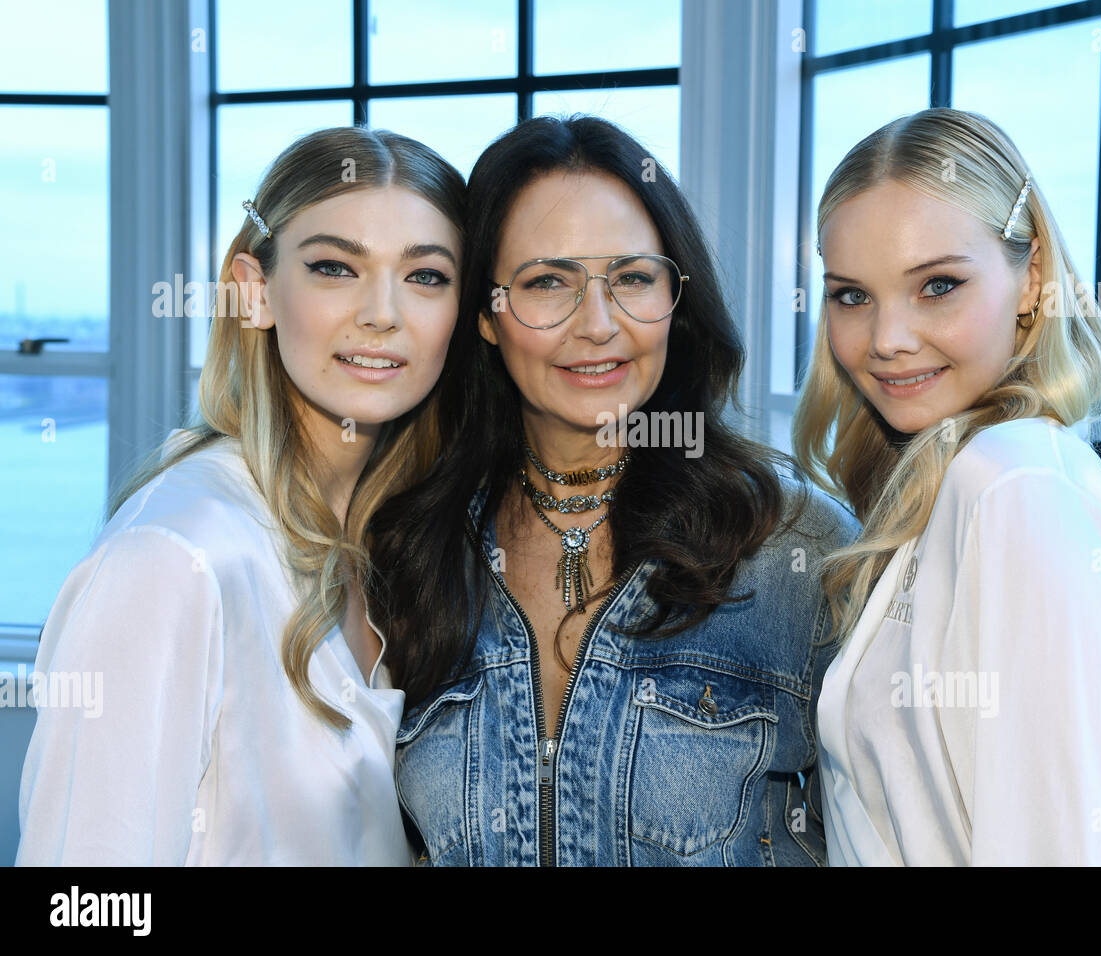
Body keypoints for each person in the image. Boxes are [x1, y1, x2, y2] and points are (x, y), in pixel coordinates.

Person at [366, 115, 859, 866]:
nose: (598, 325)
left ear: (677, 298)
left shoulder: (796, 549)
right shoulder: (408, 550)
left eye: (632, 278)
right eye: (546, 283)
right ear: (486, 317)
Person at [17, 126, 466, 865]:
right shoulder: (174, 558)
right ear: (253, 293)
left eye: (425, 276)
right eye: (333, 267)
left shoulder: (388, 550)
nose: (383, 312)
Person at [793, 107, 1101, 865]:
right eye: (852, 296)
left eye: (938, 286)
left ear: (1031, 280)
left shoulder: (1015, 489)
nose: (888, 339)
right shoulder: (959, 482)